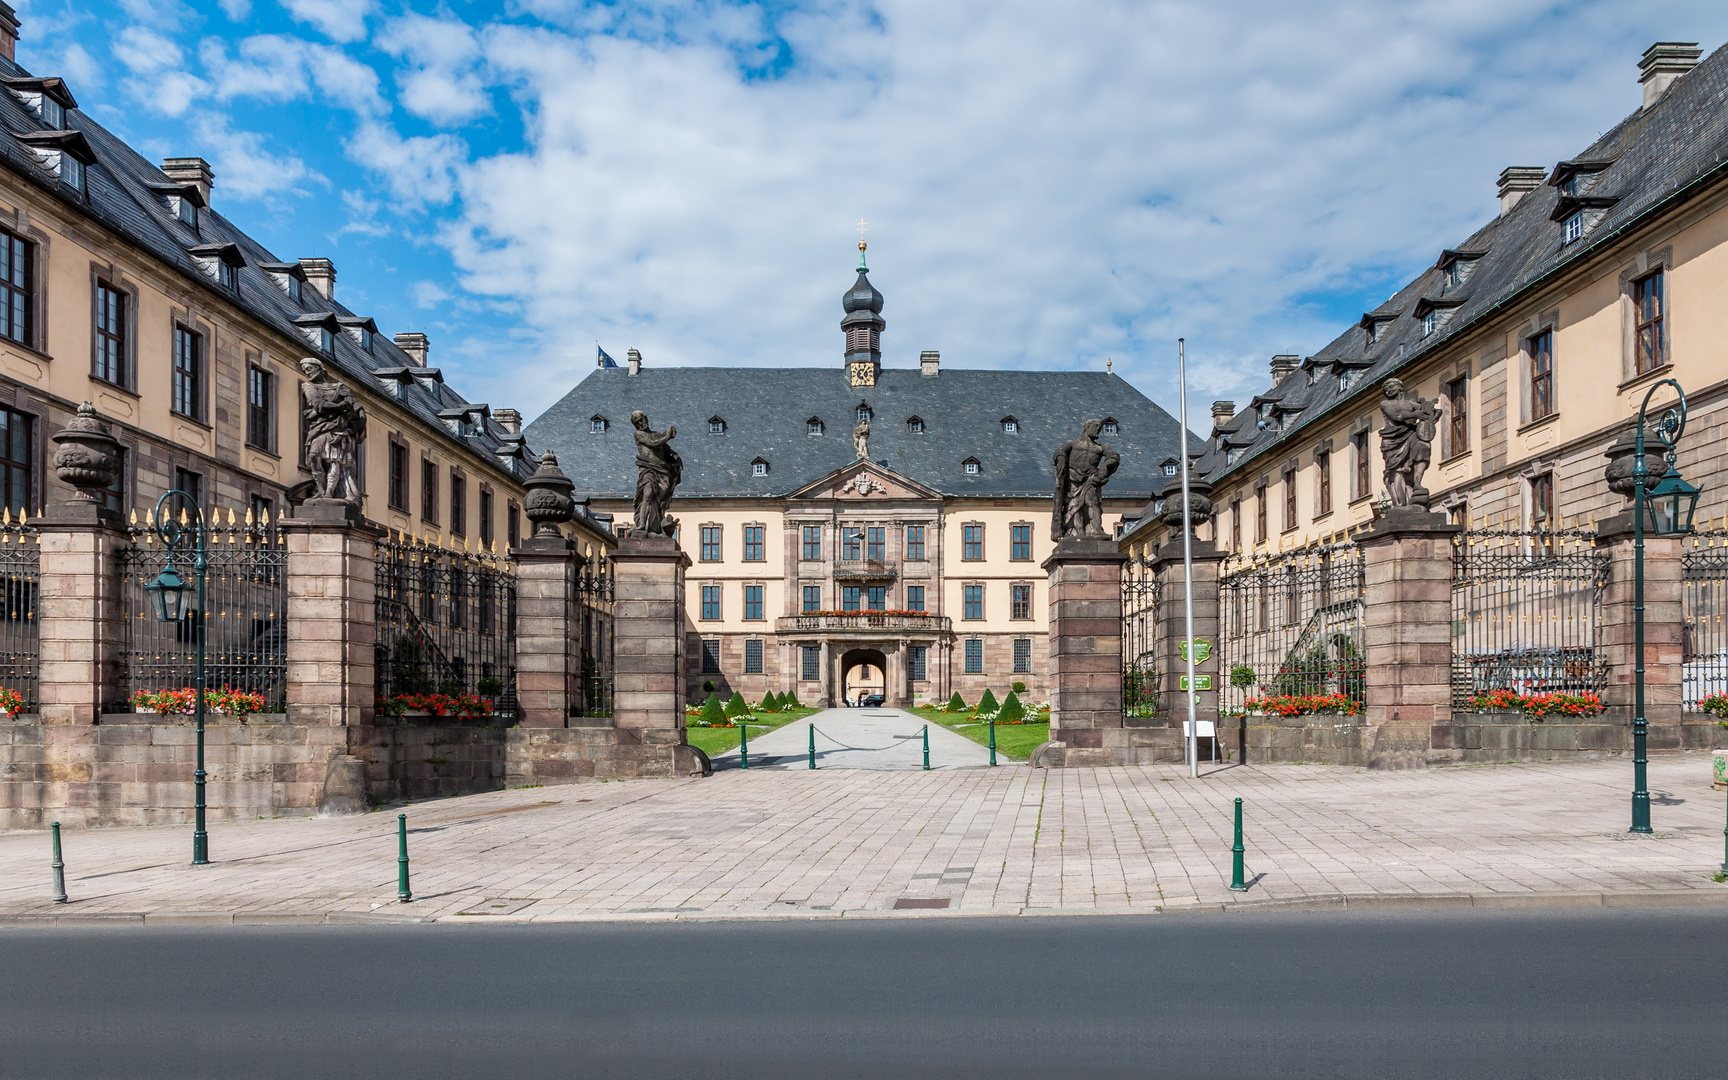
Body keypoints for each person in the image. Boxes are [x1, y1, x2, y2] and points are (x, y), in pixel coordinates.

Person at [299, 357, 365, 504]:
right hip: (320, 428)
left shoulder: (340, 388)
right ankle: (320, 489)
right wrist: (341, 407)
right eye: (305, 370)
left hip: (339, 430)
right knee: (313, 456)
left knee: (336, 460)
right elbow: (318, 405)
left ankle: (329, 491)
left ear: (320, 369)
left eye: (309, 369)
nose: (307, 373)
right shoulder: (308, 386)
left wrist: (358, 419)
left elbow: (355, 407)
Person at [1051, 418, 1120, 540]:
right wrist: (1061, 458)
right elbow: (1059, 452)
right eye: (1095, 427)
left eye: (1099, 428)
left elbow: (1114, 456)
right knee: (1074, 506)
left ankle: (1095, 529)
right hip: (1073, 478)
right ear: (1086, 428)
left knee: (1092, 504)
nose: (1097, 430)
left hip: (1090, 479)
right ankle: (1077, 532)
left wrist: (1104, 466)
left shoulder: (1100, 448)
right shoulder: (1073, 443)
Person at [1378, 378, 1439, 508]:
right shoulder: (1385, 404)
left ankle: (1417, 483)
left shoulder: (1410, 404)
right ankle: (1400, 503)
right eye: (1386, 389)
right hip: (1393, 440)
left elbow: (1429, 411)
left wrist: (1433, 414)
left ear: (1400, 388)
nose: (1388, 390)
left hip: (1411, 434)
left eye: (1391, 386)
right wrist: (1416, 414)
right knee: (1397, 470)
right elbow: (1397, 416)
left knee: (1424, 446)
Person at [631, 411, 682, 536]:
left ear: (646, 418)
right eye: (637, 423)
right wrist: (667, 436)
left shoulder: (656, 435)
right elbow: (653, 444)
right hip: (648, 469)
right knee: (647, 494)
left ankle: (655, 527)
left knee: (659, 502)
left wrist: (677, 458)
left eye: (642, 420)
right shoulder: (639, 434)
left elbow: (667, 450)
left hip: (662, 472)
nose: (641, 424)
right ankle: (641, 524)